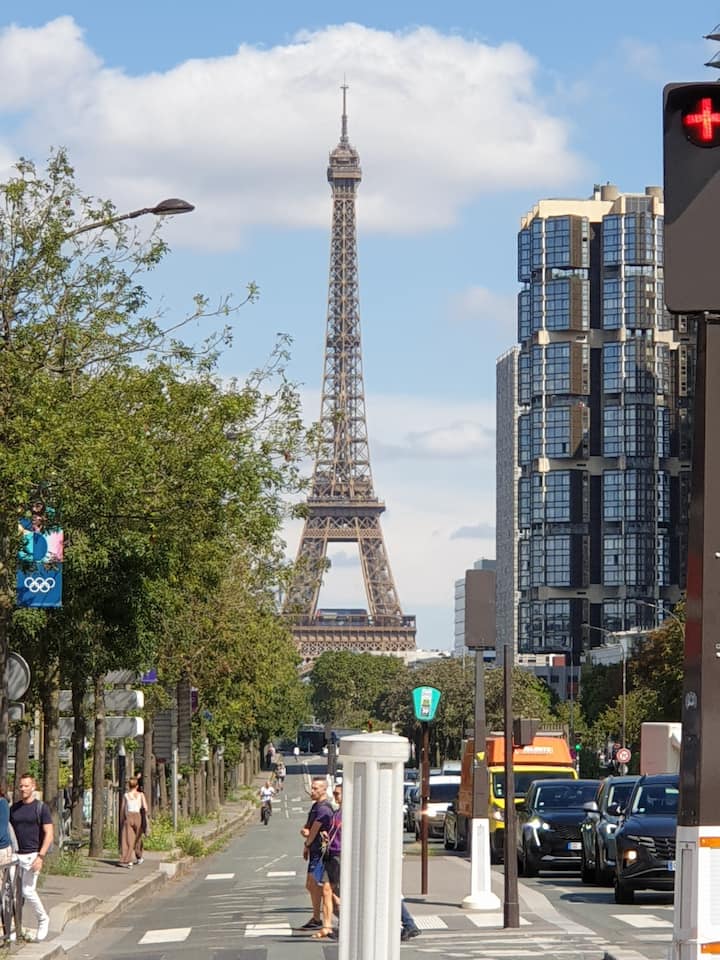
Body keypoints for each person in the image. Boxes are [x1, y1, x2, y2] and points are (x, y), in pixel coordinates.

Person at [9, 773, 53, 942]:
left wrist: (41, 856)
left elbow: (49, 833)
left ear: (33, 787)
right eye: (21, 786)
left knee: (28, 890)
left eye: (26, 786)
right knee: (13, 893)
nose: (23, 789)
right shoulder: (14, 808)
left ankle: (43, 919)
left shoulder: (41, 808)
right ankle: (13, 927)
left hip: (33, 854)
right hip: (16, 855)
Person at [299, 777, 334, 930]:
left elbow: (313, 830)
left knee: (316, 884)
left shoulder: (324, 809)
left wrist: (307, 840)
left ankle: (319, 917)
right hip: (314, 849)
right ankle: (317, 916)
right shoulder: (315, 806)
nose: (312, 791)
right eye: (312, 788)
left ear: (324, 789)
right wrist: (306, 845)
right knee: (312, 884)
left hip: (321, 851)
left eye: (316, 788)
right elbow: (309, 827)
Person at [312, 784, 342, 940]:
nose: (335, 797)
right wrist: (326, 836)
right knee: (326, 891)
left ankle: (343, 924)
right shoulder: (336, 813)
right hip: (331, 854)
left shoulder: (349, 814)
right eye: (335, 794)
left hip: (341, 855)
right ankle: (327, 926)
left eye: (338, 794)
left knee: (338, 894)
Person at [119, 777, 149, 867]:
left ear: (129, 785)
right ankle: (139, 856)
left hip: (129, 817)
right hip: (138, 817)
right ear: (137, 786)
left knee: (128, 839)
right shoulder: (141, 795)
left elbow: (123, 808)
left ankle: (129, 860)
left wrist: (123, 819)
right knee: (138, 838)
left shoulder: (126, 795)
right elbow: (146, 808)